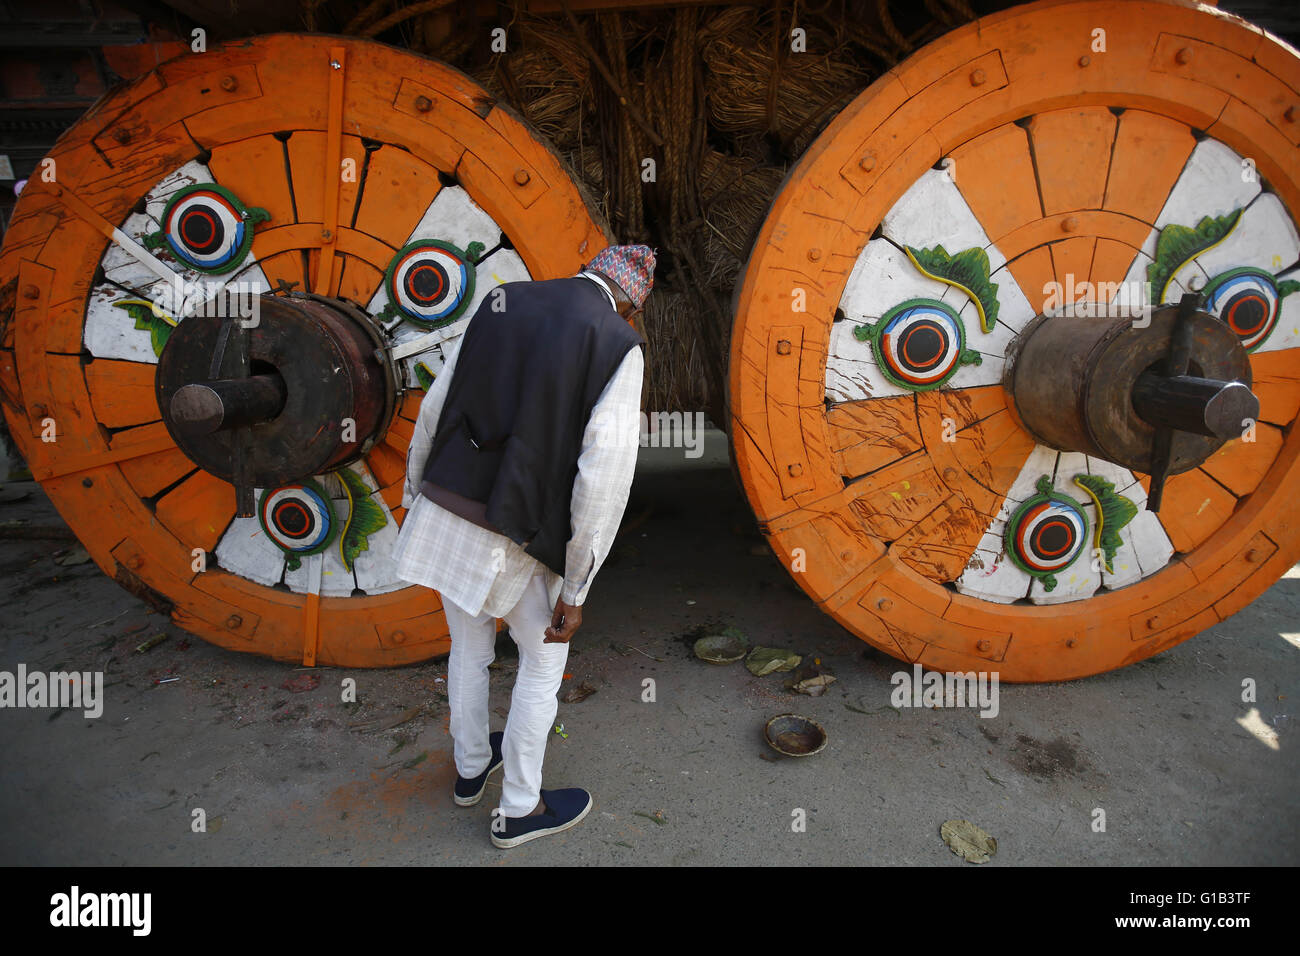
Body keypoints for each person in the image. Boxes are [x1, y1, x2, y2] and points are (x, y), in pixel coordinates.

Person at [393, 244, 654, 848]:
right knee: (541, 662)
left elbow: (438, 404)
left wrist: (417, 494)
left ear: (588, 269)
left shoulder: (501, 301)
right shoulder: (616, 342)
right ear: (631, 304)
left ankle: (468, 770)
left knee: (468, 646)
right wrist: (578, 584)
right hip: (516, 529)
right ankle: (518, 807)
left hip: (448, 503)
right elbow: (604, 475)